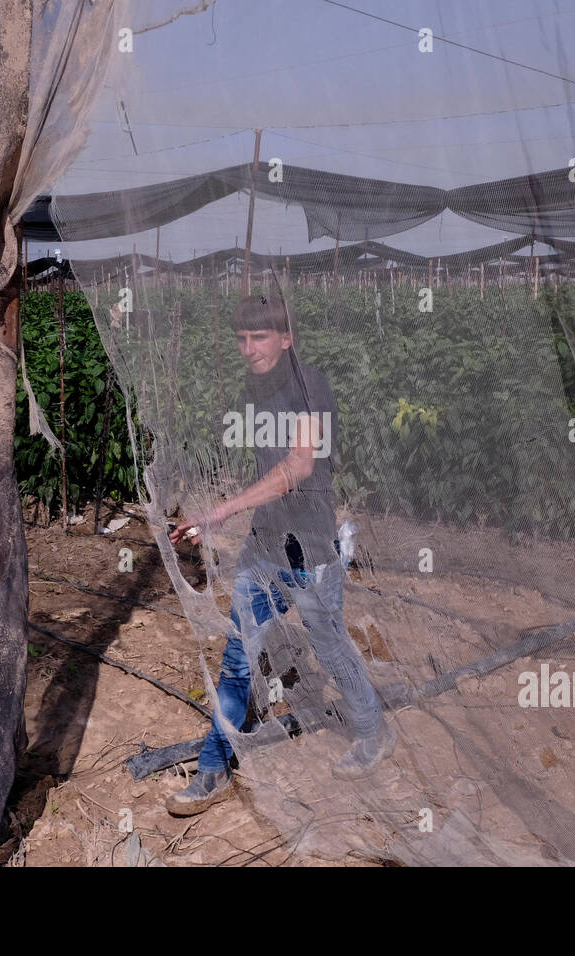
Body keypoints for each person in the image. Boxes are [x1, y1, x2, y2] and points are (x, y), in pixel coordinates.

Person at [165, 292, 394, 817]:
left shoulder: (308, 384)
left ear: (286, 339)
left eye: (260, 337)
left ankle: (372, 730)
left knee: (331, 646)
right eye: (241, 339)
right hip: (264, 547)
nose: (249, 348)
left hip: (308, 551)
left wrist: (220, 511)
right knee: (238, 657)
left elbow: (297, 468)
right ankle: (213, 767)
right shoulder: (255, 390)